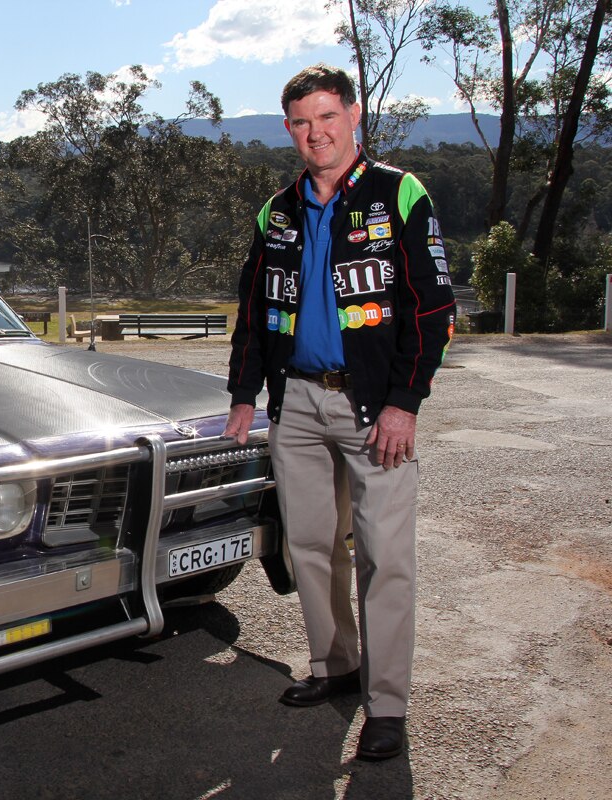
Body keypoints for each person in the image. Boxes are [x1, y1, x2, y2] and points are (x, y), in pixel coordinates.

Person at [223, 63, 456, 761]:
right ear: (288, 129)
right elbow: (254, 314)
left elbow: (433, 309)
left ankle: (387, 704)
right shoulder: (278, 211)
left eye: (327, 116)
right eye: (301, 122)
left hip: (374, 407)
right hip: (296, 401)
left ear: (353, 116)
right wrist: (244, 394)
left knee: (385, 557)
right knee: (311, 546)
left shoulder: (399, 193)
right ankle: (336, 665)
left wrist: (404, 404)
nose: (315, 132)